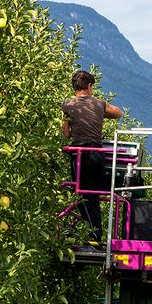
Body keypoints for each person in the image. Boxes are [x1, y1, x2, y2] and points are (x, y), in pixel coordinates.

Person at [61, 70, 123, 242]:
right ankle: (94, 235)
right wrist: (101, 113)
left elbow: (66, 134)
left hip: (80, 155)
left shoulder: (67, 105)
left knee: (82, 195)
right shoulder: (99, 103)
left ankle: (94, 236)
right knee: (93, 195)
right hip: (97, 153)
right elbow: (118, 113)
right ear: (89, 86)